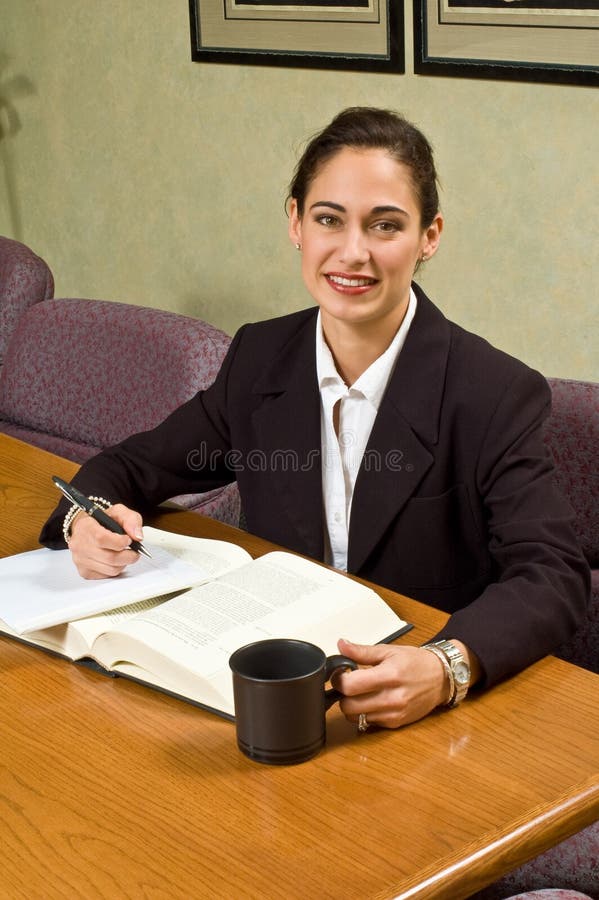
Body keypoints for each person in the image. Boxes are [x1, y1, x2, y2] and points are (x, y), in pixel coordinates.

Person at [40, 107, 589, 731]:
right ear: (296, 222)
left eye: (386, 225)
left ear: (429, 236)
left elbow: (552, 574)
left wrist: (447, 667)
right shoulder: (259, 359)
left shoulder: (493, 392)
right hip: (274, 688)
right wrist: (85, 517)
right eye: (329, 219)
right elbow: (133, 466)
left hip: (422, 709)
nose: (352, 254)